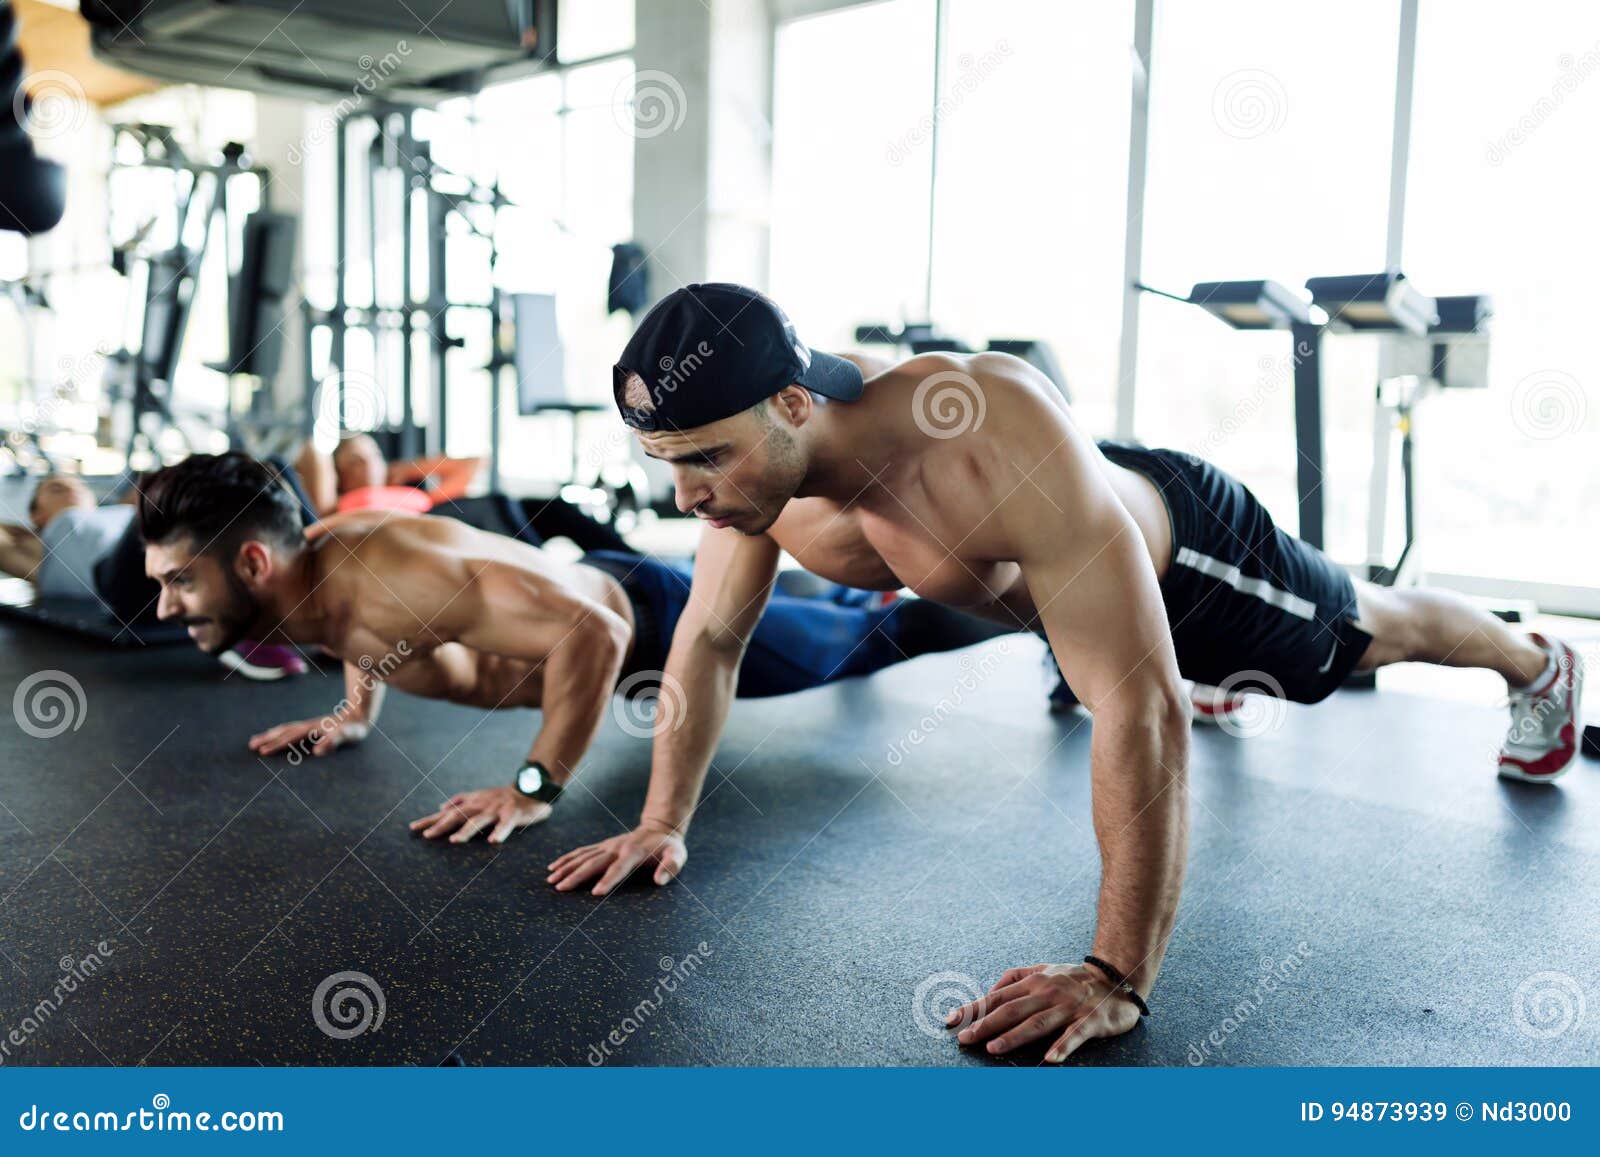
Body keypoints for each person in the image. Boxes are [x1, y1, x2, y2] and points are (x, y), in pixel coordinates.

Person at [545, 282, 1583, 1063]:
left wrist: (1114, 973)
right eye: (667, 464)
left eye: (704, 459)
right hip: (1068, 564)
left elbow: (1136, 699)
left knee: (1355, 636)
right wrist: (663, 818)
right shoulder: (763, 487)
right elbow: (711, 638)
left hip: (1191, 560)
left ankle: (1534, 659)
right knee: (1117, 639)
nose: (685, 495)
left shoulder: (974, 431)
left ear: (791, 402)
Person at [135, 453, 1012, 844]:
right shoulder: (306, 577)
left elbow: (594, 633)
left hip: (647, 626)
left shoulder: (387, 574)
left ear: (251, 561)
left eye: (179, 581)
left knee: (875, 636)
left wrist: (534, 787)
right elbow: (360, 629)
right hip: (598, 589)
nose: (165, 605)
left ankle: (1068, 612)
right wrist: (355, 712)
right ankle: (840, 576)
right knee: (827, 597)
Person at [293, 432, 483, 517]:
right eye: (354, 460)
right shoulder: (336, 505)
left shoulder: (421, 499)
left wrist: (406, 468)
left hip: (442, 523)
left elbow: (473, 465)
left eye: (374, 454)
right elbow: (313, 452)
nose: (367, 462)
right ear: (337, 476)